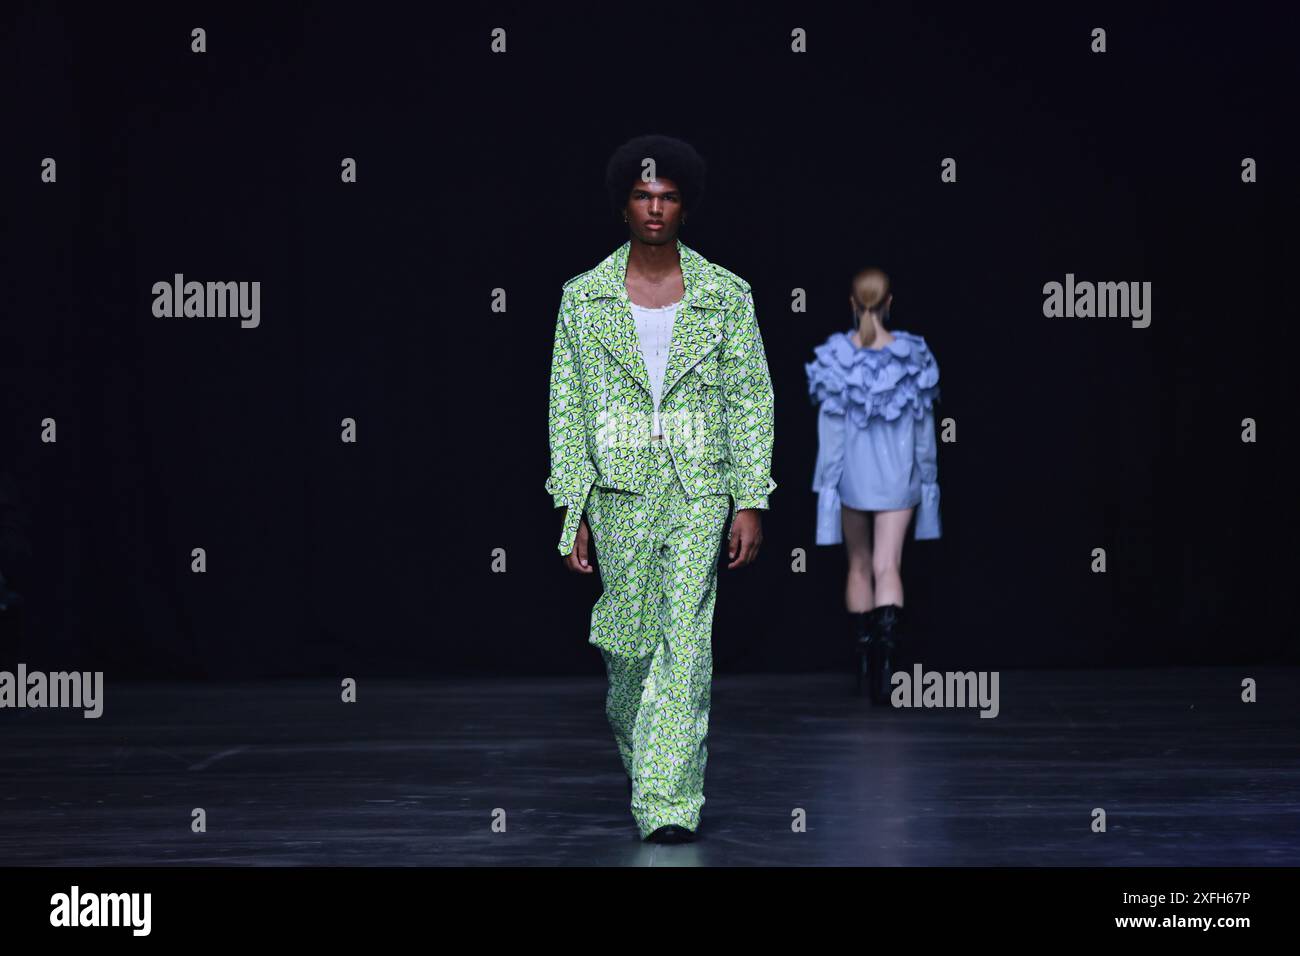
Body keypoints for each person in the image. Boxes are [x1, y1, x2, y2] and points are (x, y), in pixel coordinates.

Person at [545, 133, 776, 843]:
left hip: (698, 487)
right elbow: (568, 405)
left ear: (685, 205)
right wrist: (572, 507)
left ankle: (668, 804)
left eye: (668, 196)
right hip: (617, 492)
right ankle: (648, 756)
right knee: (628, 651)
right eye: (643, 196)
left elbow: (750, 398)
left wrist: (749, 497)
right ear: (623, 205)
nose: (655, 208)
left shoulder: (725, 295)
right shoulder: (583, 299)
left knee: (685, 641)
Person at [805, 269, 941, 702]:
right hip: (899, 477)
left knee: (859, 566)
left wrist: (827, 485)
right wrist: (927, 479)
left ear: (852, 304)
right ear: (889, 303)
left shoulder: (833, 358)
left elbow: (831, 437)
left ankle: (864, 669)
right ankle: (886, 670)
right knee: (888, 567)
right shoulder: (914, 355)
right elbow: (925, 435)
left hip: (851, 479)